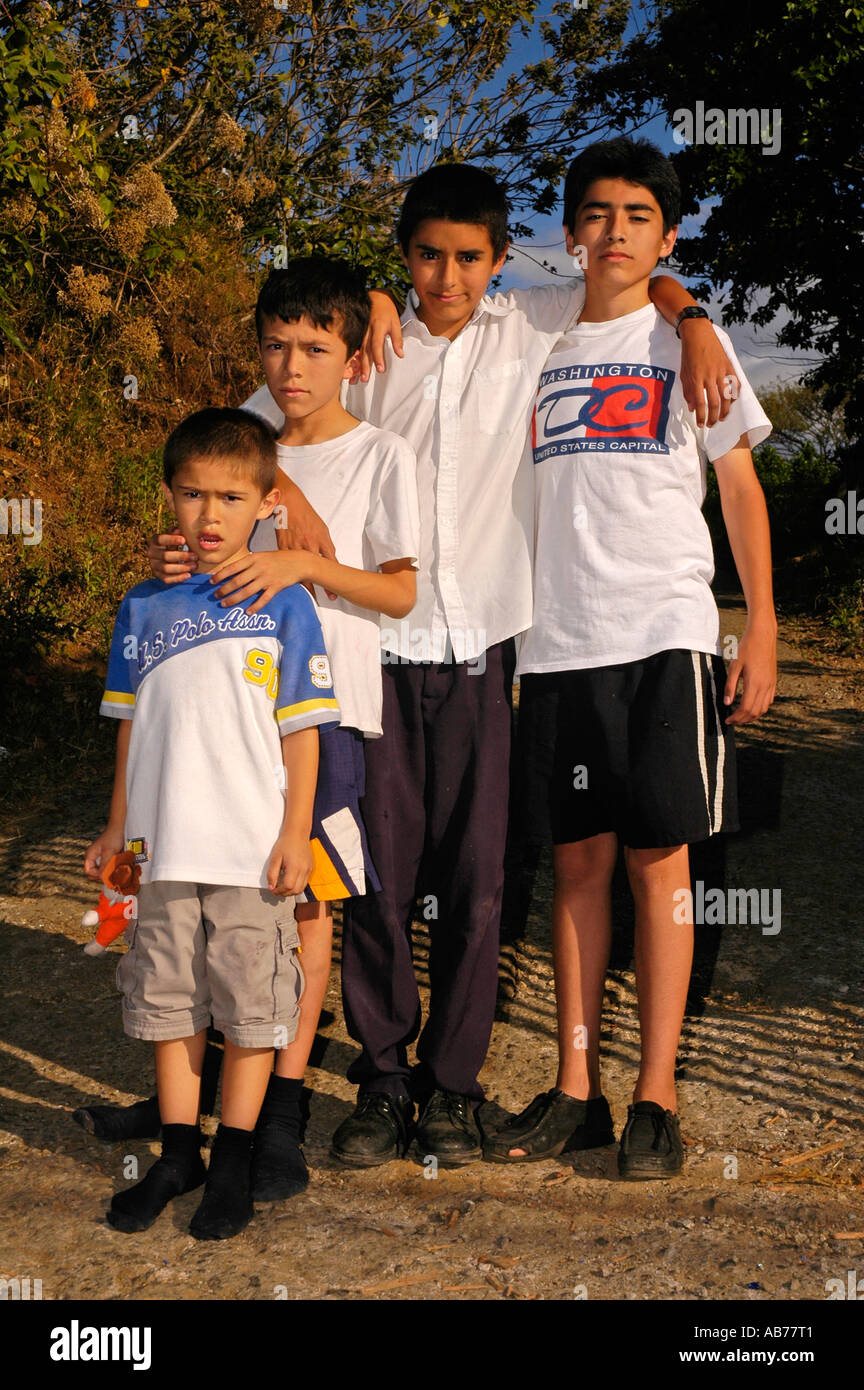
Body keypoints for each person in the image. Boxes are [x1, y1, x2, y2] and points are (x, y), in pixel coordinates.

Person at [214, 164, 737, 1170]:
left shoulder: (534, 325)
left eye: (467, 258)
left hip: (489, 648)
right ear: (401, 259)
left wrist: (697, 313)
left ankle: (452, 1088)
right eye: (424, 256)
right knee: (371, 875)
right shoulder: (369, 345)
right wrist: (283, 484)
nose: (445, 278)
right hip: (370, 651)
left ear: (501, 261)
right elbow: (247, 427)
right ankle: (382, 1078)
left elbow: (636, 288)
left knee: (480, 880)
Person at [78, 260, 421, 1203]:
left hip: (320, 711)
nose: (291, 365)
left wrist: (300, 567)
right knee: (199, 924)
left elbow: (400, 590)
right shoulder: (242, 435)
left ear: (351, 356)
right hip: (209, 727)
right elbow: (179, 574)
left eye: (314, 348)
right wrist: (166, 560)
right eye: (275, 345)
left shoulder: (380, 452)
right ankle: (191, 1119)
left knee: (302, 908)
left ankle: (281, 1112)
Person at [483, 137, 776, 1178]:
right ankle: (577, 1091)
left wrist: (766, 628)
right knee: (576, 867)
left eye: (637, 215)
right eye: (595, 213)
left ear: (669, 231)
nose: (613, 230)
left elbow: (739, 489)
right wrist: (382, 308)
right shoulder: (534, 334)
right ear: (568, 233)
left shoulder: (692, 338)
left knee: (663, 864)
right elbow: (447, 298)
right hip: (555, 642)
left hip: (665, 634)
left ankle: (654, 1094)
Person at [84, 407, 341, 1239]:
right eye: (192, 495)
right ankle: (175, 1154)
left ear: (268, 502)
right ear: (169, 497)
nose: (209, 515)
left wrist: (295, 834)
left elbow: (303, 733)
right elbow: (130, 724)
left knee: (249, 1007)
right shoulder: (142, 606)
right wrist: (116, 831)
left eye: (232, 497)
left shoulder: (285, 603)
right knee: (168, 1002)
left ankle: (233, 1159)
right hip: (158, 854)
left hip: (248, 854)